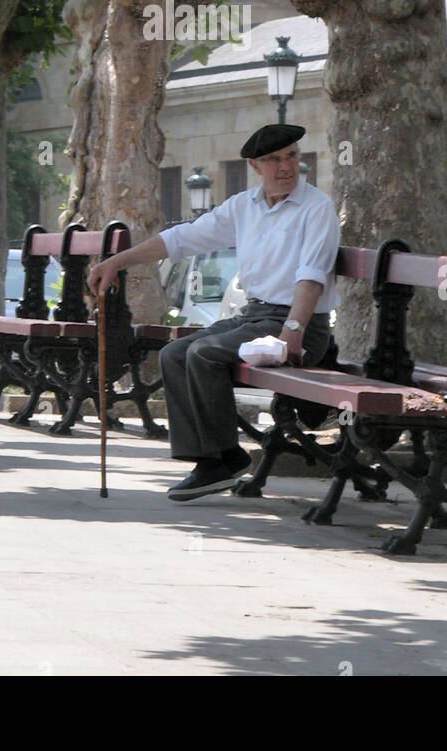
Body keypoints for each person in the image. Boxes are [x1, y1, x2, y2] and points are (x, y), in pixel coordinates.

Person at [87, 123, 340, 501]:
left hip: (298, 324)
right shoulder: (244, 207)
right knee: (175, 353)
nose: (286, 166)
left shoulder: (316, 207)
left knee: (203, 354)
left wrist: (293, 332)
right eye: (274, 159)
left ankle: (226, 459)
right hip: (256, 317)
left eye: (292, 156)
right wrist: (116, 262)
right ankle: (209, 460)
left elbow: (312, 276)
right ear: (256, 166)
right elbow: (182, 239)